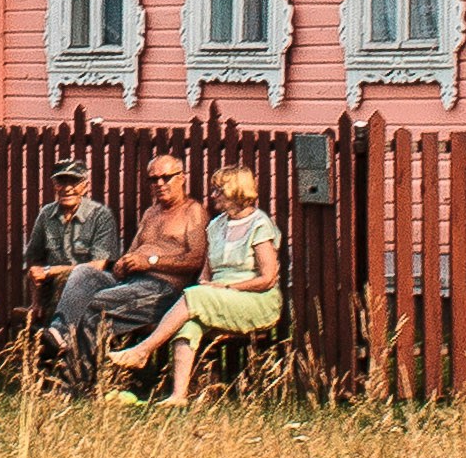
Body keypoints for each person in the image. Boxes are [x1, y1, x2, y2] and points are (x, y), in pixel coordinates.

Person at [104, 164, 281, 401]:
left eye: (219, 190)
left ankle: (142, 351)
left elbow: (267, 279)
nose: (213, 196)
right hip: (217, 296)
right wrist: (210, 286)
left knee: (196, 296)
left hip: (254, 299)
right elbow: (205, 275)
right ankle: (178, 396)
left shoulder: (259, 224)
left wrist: (225, 288)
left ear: (236, 191)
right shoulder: (216, 225)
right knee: (189, 325)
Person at [54, 153, 211, 390]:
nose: (159, 184)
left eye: (166, 178)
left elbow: (195, 260)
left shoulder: (193, 211)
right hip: (132, 281)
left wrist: (151, 262)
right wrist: (123, 262)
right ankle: (59, 331)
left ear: (182, 178)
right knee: (84, 273)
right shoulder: (151, 212)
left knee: (96, 305)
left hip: (162, 287)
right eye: (153, 179)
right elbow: (134, 250)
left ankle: (75, 385)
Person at [17, 160, 116, 349]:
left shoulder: (101, 216)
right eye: (61, 182)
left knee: (66, 280)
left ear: (85, 186)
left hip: (93, 286)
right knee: (48, 286)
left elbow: (98, 266)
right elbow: (35, 258)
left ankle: (59, 349)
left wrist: (50, 271)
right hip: (51, 286)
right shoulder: (46, 214)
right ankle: (47, 351)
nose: (67, 188)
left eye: (74, 182)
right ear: (54, 185)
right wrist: (35, 300)